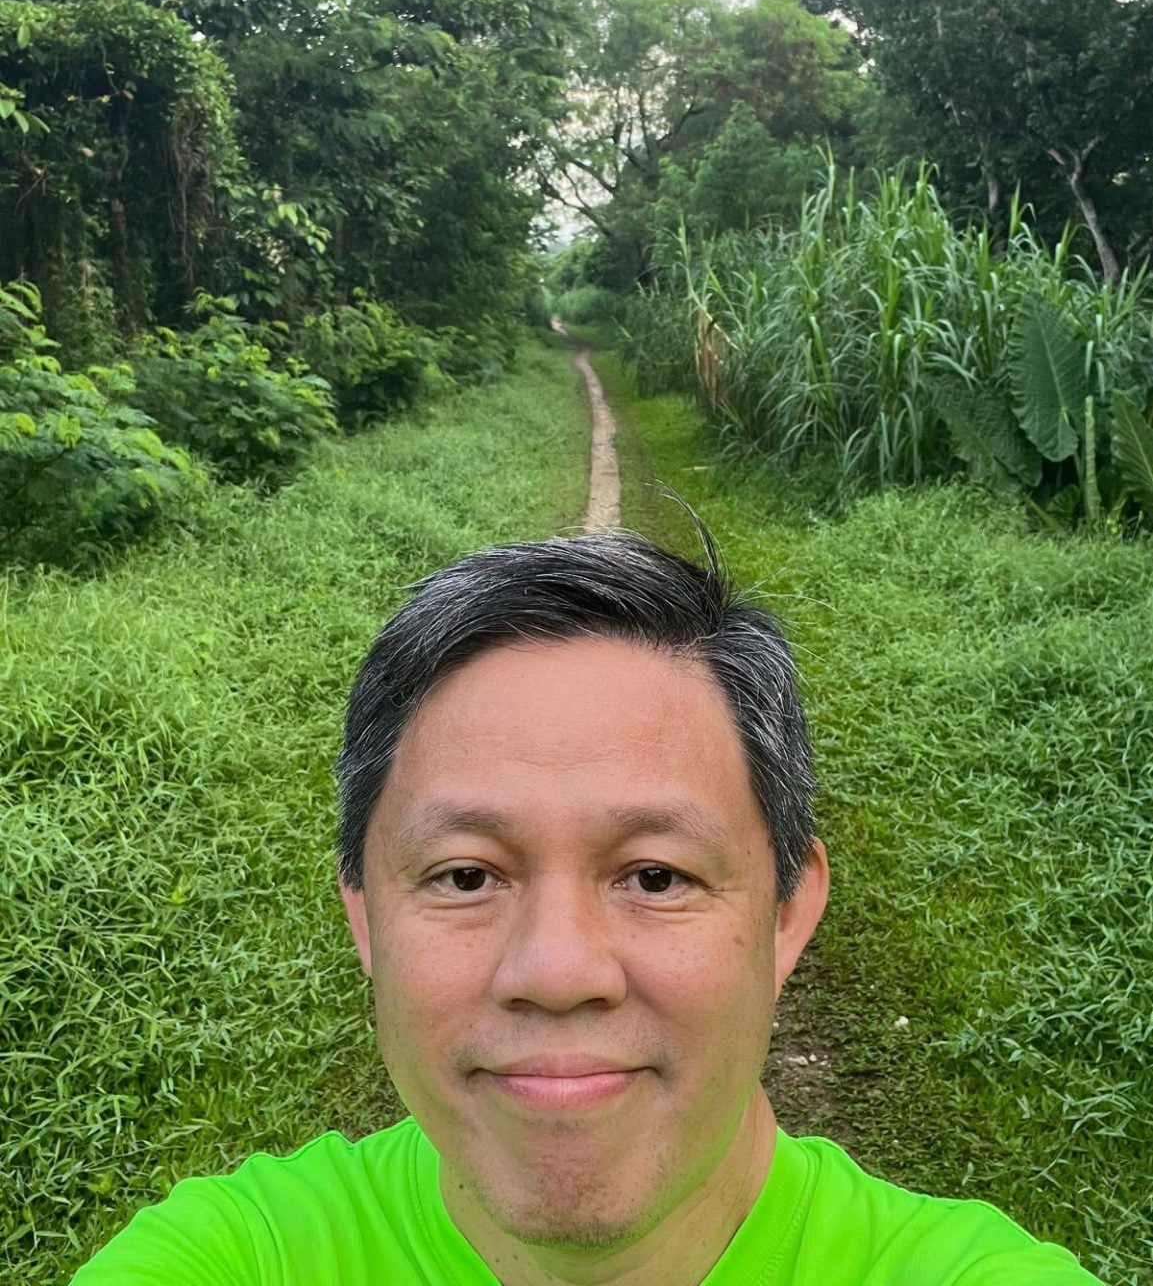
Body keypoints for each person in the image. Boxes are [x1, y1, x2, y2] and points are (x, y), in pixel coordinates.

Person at [74, 530, 1101, 1284]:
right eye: (466, 875)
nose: (557, 973)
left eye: (655, 876)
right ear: (364, 917)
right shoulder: (239, 1258)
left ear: (788, 911)